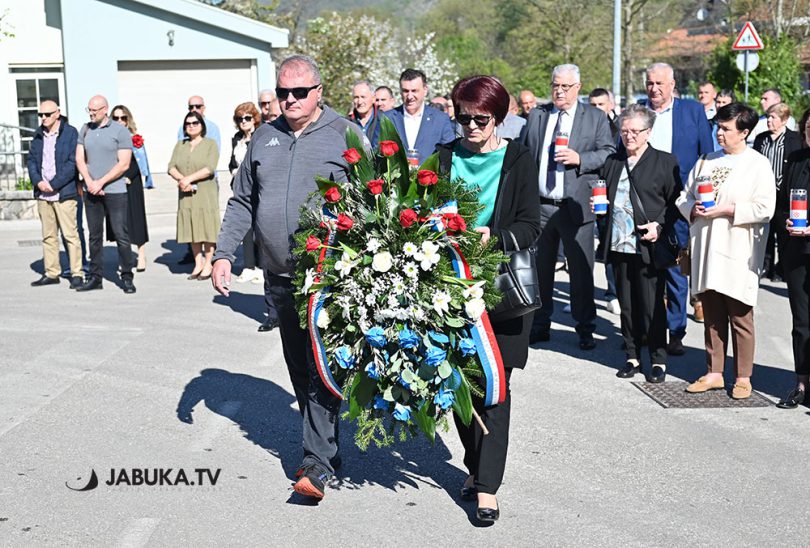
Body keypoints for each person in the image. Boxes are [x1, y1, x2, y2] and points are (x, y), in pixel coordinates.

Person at [212, 55, 363, 500]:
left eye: (300, 92)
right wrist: (223, 254)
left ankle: (314, 462)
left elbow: (378, 197)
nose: (290, 100)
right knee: (299, 363)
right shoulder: (264, 136)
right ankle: (326, 444)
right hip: (278, 273)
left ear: (319, 92)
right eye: (283, 93)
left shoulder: (345, 135)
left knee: (323, 364)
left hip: (330, 276)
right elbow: (242, 200)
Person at [436, 75, 540, 524]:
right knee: (459, 382)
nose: (471, 127)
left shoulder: (518, 159)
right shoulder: (443, 158)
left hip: (500, 289)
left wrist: (492, 238)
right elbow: (422, 211)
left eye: (480, 119)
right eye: (463, 118)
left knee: (496, 387)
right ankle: (474, 466)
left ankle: (487, 488)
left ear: (498, 117)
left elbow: (531, 225)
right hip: (448, 286)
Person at [676, 103, 776, 399]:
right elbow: (684, 196)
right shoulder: (706, 160)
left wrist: (727, 209)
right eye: (718, 127)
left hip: (737, 249)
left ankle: (743, 376)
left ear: (744, 132)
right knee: (713, 315)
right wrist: (690, 208)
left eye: (726, 129)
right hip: (706, 246)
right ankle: (714, 372)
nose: (719, 133)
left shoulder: (757, 164)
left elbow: (765, 208)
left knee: (740, 316)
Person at [520, 63, 616, 350]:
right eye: (555, 85)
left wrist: (580, 159)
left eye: (565, 86)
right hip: (541, 206)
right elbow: (524, 153)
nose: (559, 91)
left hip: (575, 207)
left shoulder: (595, 117)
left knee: (581, 271)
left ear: (578, 88)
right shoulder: (538, 115)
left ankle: (585, 327)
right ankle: (539, 324)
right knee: (539, 270)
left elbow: (608, 152)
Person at [598, 104, 681, 383]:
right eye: (624, 131)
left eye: (635, 131)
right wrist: (599, 207)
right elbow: (606, 199)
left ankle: (658, 360)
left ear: (648, 132)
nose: (628, 136)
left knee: (652, 305)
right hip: (619, 245)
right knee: (626, 304)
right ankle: (632, 355)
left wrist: (658, 225)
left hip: (648, 246)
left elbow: (675, 204)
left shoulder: (664, 162)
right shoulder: (613, 162)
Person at [642, 62, 714, 353]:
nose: (654, 89)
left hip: (679, 201)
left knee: (674, 269)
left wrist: (703, 198)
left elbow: (706, 155)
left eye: (660, 83)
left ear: (672, 85)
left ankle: (676, 332)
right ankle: (645, 328)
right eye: (650, 83)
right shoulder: (638, 112)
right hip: (644, 201)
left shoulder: (691, 112)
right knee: (644, 270)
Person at [75, 95, 135, 294]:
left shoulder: (120, 131)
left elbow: (124, 163)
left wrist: (101, 182)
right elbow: (79, 159)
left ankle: (127, 276)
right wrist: (90, 182)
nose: (91, 113)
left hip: (115, 191)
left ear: (105, 109)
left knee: (121, 234)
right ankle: (95, 277)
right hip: (91, 190)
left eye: (95, 110)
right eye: (89, 110)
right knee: (94, 235)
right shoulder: (85, 129)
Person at [27, 100, 83, 289]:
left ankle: (77, 272)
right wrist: (39, 182)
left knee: (70, 235)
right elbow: (32, 161)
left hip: (64, 193)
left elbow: (72, 163)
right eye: (40, 115)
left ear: (57, 113)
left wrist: (54, 184)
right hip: (43, 194)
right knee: (48, 236)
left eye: (47, 114)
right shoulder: (38, 134)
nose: (43, 118)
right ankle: (52, 273)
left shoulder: (70, 133)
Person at [776, 109, 810, 408]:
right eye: (809, 127)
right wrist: (786, 221)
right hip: (797, 252)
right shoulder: (796, 160)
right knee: (801, 321)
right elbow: (781, 204)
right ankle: (801, 383)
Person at [754, 102, 802, 282]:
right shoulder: (762, 139)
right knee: (765, 233)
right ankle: (765, 266)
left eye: (773, 117)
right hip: (763, 194)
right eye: (768, 117)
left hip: (784, 195)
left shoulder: (794, 140)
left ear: (784, 120)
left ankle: (781, 269)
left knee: (783, 233)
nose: (769, 121)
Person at [169, 111, 220, 280]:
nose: (191, 126)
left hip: (205, 192)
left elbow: (210, 168)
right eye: (188, 123)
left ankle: (208, 263)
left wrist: (188, 179)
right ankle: (198, 262)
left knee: (206, 226)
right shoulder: (180, 145)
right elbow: (171, 167)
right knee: (191, 226)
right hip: (185, 193)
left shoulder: (210, 144)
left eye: (195, 123)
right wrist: (183, 181)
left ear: (202, 126)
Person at [109, 105, 150, 273]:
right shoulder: (109, 137)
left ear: (128, 120)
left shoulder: (135, 138)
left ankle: (141, 255)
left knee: (136, 220)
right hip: (115, 182)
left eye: (123, 118)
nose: (120, 121)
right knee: (119, 222)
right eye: (116, 118)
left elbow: (140, 164)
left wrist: (129, 176)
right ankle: (124, 257)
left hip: (132, 182)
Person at [384, 68, 455, 165]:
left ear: (425, 90)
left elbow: (449, 155)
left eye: (414, 91)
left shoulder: (440, 120)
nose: (409, 96)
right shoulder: (387, 118)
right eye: (405, 91)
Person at [349, 80, 382, 148]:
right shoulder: (346, 123)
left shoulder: (383, 121)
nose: (360, 102)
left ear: (373, 99)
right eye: (356, 97)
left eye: (363, 97)